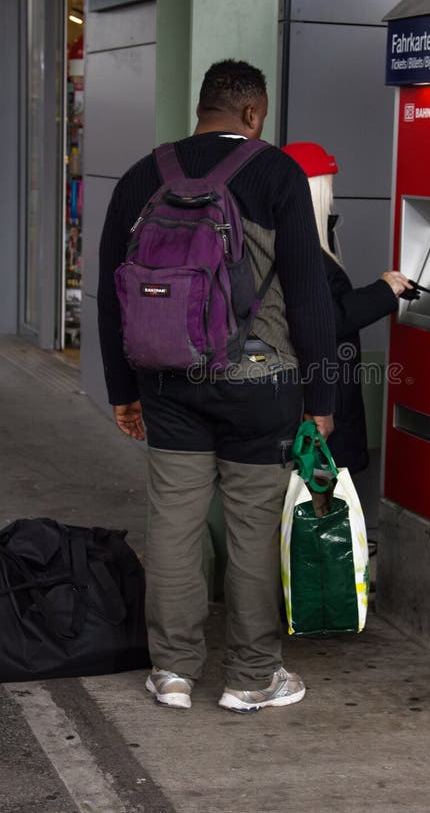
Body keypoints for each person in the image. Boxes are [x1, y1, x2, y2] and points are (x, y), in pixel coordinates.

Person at [98, 60, 336, 712]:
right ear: (253, 114)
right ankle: (253, 677)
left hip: (167, 382)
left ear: (203, 109)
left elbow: (111, 292)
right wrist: (321, 400)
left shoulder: (143, 176)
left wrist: (123, 389)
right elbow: (312, 295)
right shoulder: (276, 173)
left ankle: (173, 673)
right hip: (260, 384)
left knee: (173, 524)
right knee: (252, 529)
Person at [281, 141, 412, 474]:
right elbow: (327, 318)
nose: (334, 192)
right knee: (322, 499)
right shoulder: (306, 249)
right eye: (329, 183)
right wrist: (385, 291)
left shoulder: (283, 237)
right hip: (320, 392)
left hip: (297, 387)